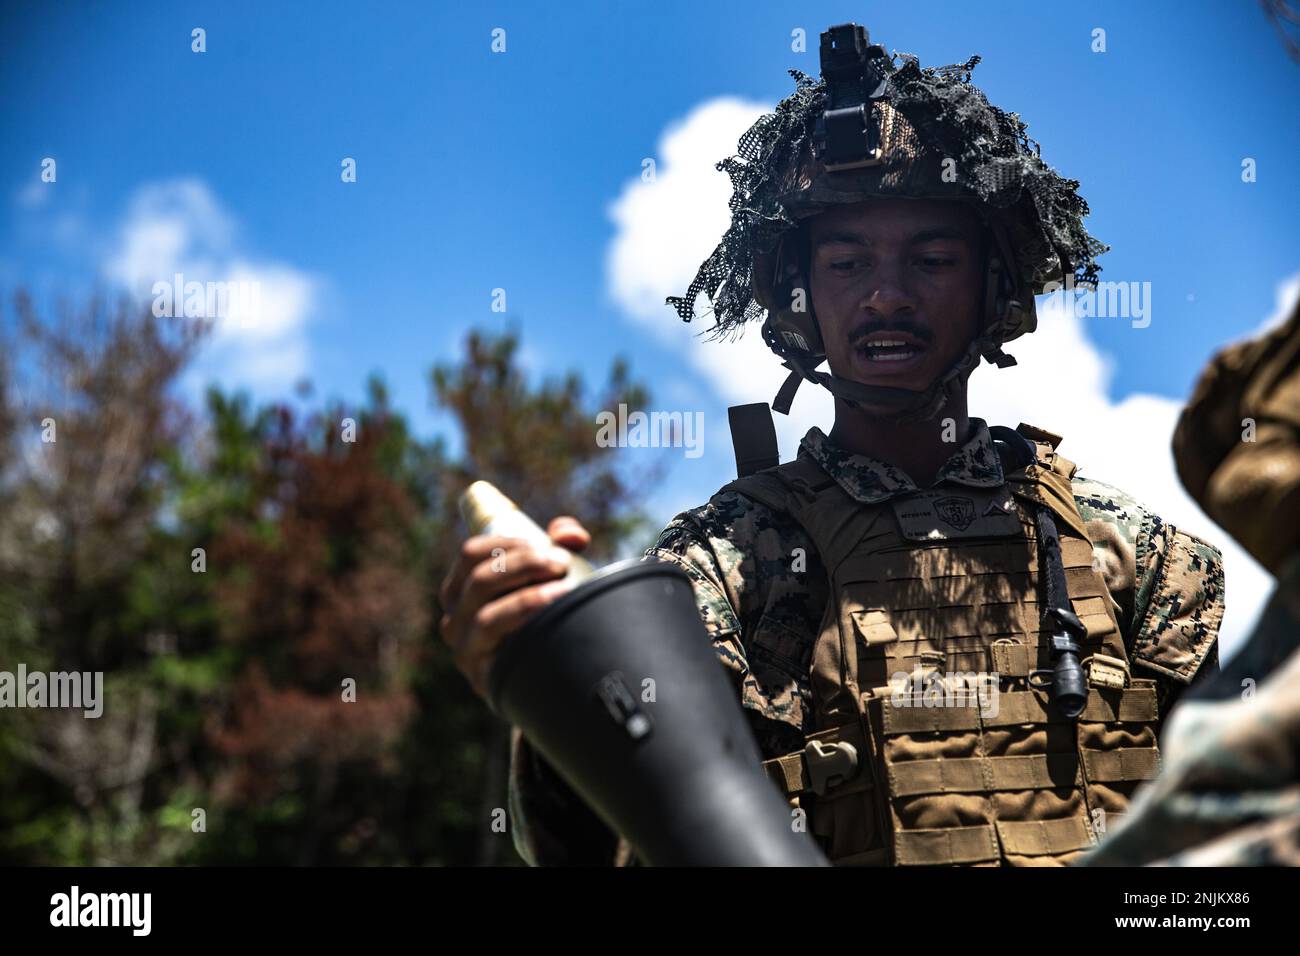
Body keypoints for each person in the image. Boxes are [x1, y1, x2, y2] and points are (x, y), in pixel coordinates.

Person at [440, 23, 1224, 866]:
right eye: (848, 264)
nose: (887, 296)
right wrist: (559, 669)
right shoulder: (726, 568)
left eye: (932, 258)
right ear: (801, 295)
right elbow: (589, 849)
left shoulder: (1134, 558)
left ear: (994, 286)